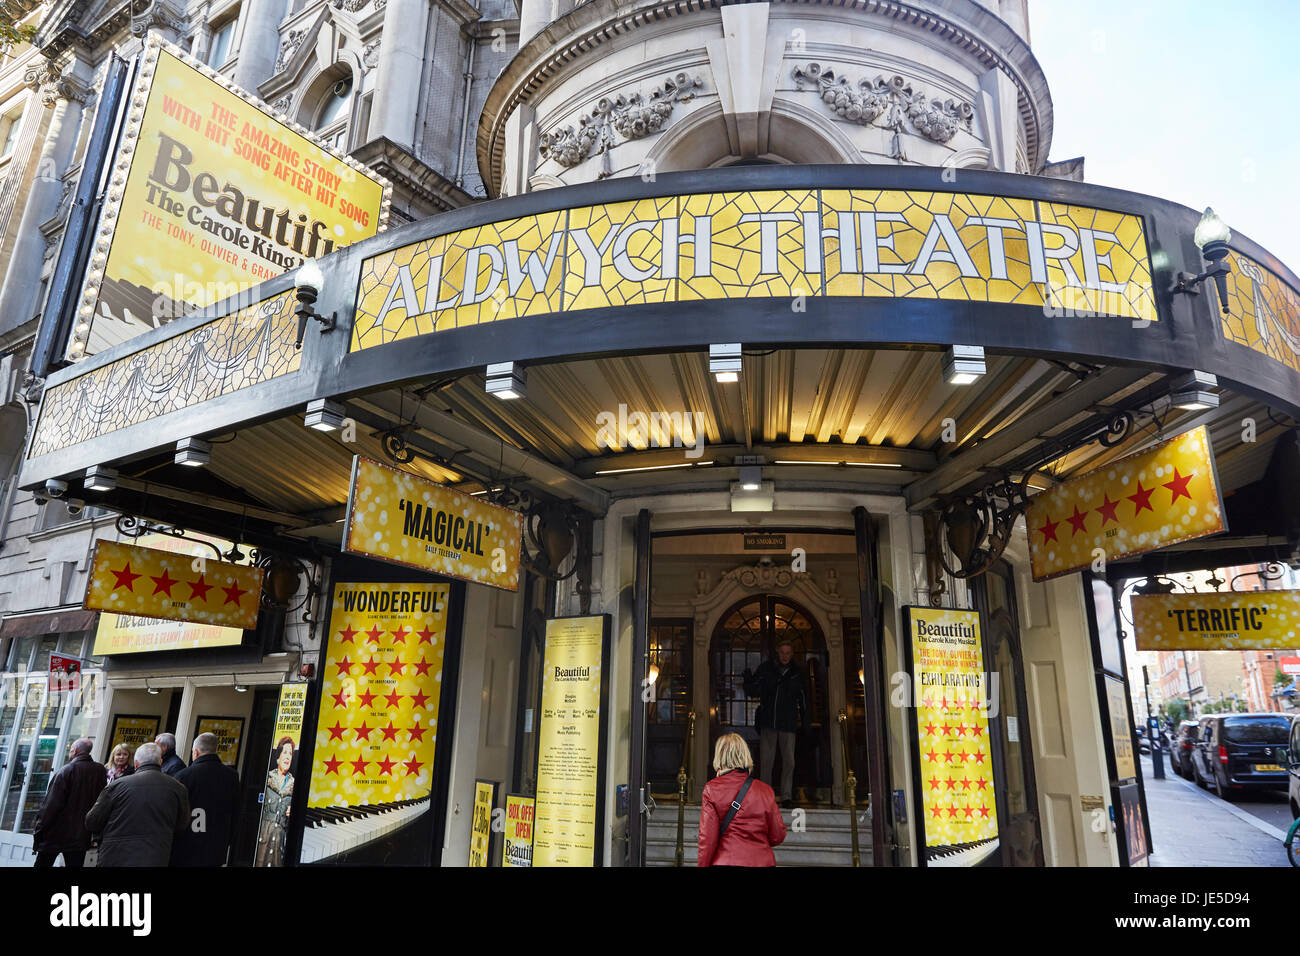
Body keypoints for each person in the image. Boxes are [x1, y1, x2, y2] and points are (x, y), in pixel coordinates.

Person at [84, 742, 190, 866]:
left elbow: (92, 821)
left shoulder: (116, 786)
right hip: (156, 855)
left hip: (114, 855)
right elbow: (182, 824)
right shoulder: (178, 788)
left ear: (136, 764)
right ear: (160, 762)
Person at [697, 733, 785, 867]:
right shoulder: (765, 790)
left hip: (726, 861)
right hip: (762, 862)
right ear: (745, 756)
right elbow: (777, 836)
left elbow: (707, 840)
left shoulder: (712, 789)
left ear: (719, 756)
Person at [743, 639, 807, 808]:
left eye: (788, 653)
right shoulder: (766, 669)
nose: (785, 656)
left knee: (789, 761)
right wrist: (747, 679)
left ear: (791, 654)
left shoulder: (797, 672)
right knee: (766, 761)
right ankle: (765, 795)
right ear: (778, 653)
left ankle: (786, 796)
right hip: (768, 721)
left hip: (788, 723)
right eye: (782, 652)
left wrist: (805, 721)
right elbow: (752, 690)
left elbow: (804, 698)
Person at [31, 738, 106, 868]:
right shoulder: (100, 771)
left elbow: (51, 806)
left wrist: (39, 830)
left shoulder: (66, 771)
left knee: (43, 863)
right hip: (81, 833)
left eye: (70, 750)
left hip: (54, 833)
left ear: (75, 750)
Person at [170, 732, 241, 867]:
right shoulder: (231, 776)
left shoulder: (183, 775)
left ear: (195, 752)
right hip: (217, 844)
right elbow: (236, 811)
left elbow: (175, 812)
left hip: (187, 845)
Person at [254, 737, 295, 867]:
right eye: (285, 752)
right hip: (263, 840)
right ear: (278, 757)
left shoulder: (295, 786)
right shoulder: (266, 779)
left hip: (280, 844)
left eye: (290, 753)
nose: (288, 756)